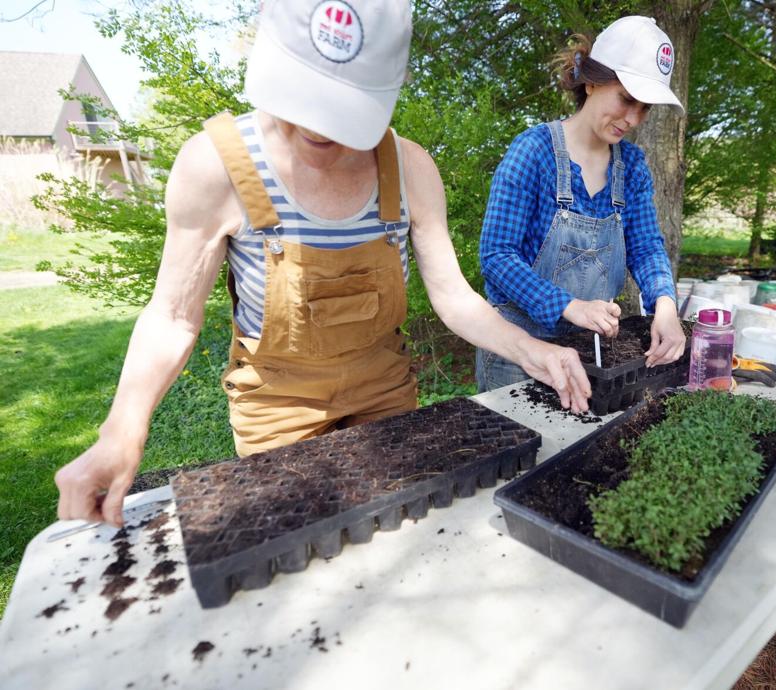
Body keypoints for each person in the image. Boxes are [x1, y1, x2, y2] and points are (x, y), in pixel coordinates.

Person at [54, 0, 591, 527]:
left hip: (384, 390)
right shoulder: (214, 166)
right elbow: (172, 318)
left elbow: (452, 295)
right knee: (298, 551)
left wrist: (531, 350)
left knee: (405, 535)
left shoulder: (411, 169)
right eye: (301, 96)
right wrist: (121, 433)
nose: (317, 129)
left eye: (343, 108)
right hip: (277, 405)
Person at [475, 16, 688, 392]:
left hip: (589, 356)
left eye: (645, 108)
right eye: (626, 99)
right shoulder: (533, 152)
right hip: (517, 350)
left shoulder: (633, 167)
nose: (633, 118)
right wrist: (569, 306)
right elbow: (497, 256)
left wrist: (666, 306)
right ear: (591, 80)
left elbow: (646, 247)